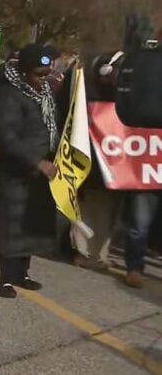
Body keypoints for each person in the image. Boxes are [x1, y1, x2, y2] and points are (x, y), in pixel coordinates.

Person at [0, 43, 61, 299]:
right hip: (14, 172)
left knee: (31, 224)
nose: (44, 79)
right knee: (10, 225)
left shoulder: (44, 94)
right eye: (38, 74)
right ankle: (2, 276)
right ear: (24, 72)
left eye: (46, 74)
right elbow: (5, 137)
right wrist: (36, 161)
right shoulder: (8, 96)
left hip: (39, 174)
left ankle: (22, 272)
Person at [70, 52, 125, 271]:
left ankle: (100, 254)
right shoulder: (87, 96)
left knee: (108, 211)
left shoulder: (125, 99)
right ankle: (84, 252)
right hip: (90, 163)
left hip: (115, 165)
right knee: (87, 210)